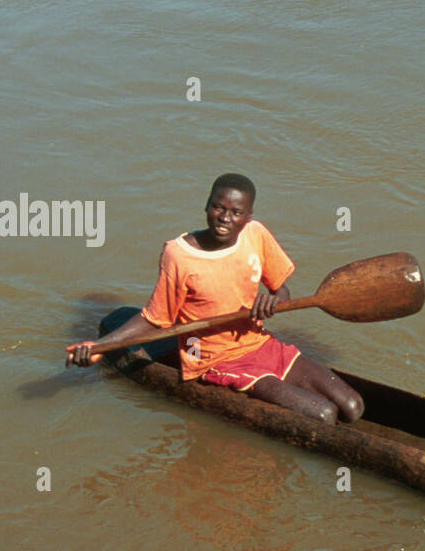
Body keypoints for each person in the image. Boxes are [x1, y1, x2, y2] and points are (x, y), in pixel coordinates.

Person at [66, 174, 363, 425]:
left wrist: (273, 300)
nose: (224, 218)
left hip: (258, 342)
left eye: (236, 212)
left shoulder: (256, 235)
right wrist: (100, 347)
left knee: (352, 405)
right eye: (218, 208)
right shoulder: (179, 254)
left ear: (248, 216)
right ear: (206, 206)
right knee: (323, 415)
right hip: (210, 355)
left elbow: (280, 288)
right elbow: (156, 319)